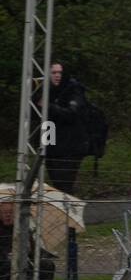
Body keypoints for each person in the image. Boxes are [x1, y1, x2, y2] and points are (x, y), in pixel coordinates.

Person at [0, 195, 55, 280]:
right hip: (3, 264)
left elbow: (34, 251)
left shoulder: (23, 227)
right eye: (4, 213)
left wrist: (30, 249)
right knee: (8, 267)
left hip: (23, 261)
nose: (8, 215)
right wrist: (7, 255)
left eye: (10, 212)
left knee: (46, 265)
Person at [35, 62, 88, 194]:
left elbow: (72, 114)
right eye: (54, 73)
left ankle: (67, 210)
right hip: (50, 142)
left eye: (60, 73)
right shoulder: (44, 89)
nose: (57, 76)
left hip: (70, 146)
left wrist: (48, 106)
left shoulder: (73, 89)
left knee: (64, 186)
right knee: (56, 184)